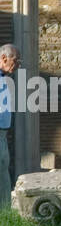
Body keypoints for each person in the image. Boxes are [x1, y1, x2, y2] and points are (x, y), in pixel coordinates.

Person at [0, 44, 18, 208]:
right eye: (16, 60)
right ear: (4, 58)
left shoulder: (5, 79)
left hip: (2, 134)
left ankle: (4, 214)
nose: (18, 64)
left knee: (3, 172)